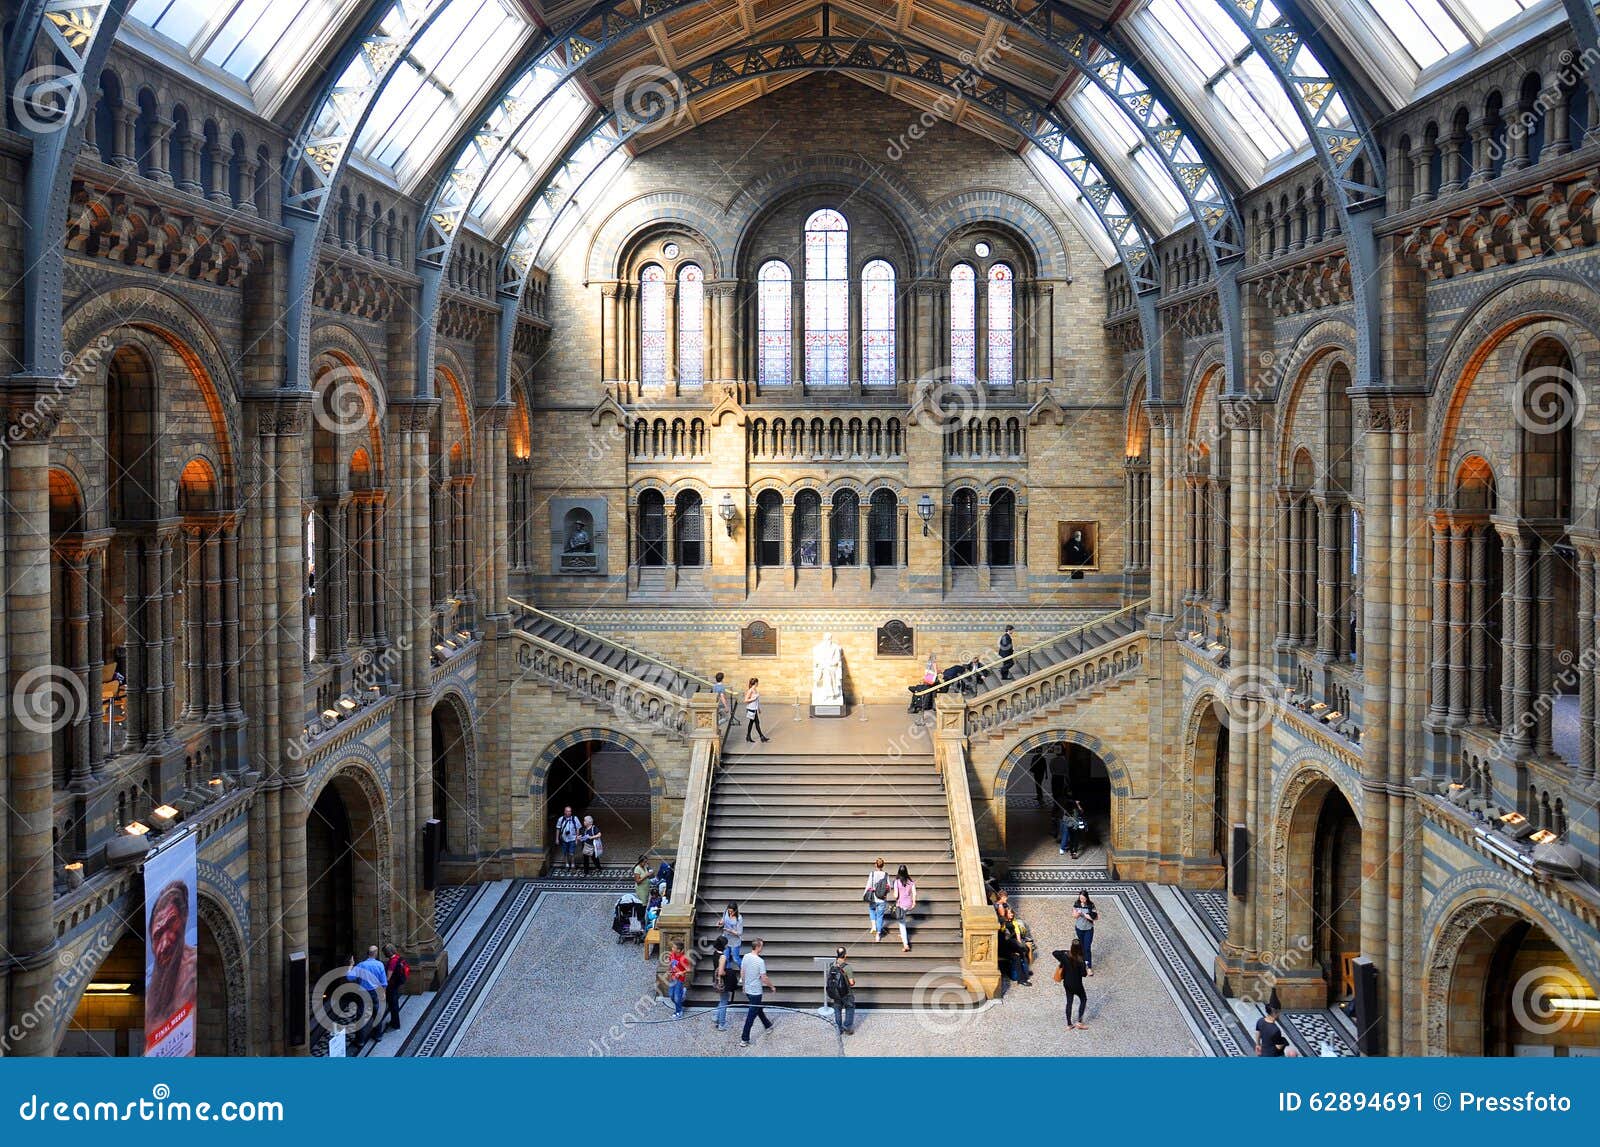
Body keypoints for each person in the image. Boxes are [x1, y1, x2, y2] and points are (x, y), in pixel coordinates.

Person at [145, 879, 198, 1035]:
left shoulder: (193, 971)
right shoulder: (150, 997)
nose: (166, 942)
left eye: (171, 924)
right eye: (158, 934)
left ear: (183, 919)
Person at [346, 945, 388, 1049]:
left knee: (361, 1016)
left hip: (363, 992)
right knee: (377, 1013)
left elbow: (349, 977)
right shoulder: (380, 965)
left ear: (367, 953)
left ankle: (360, 1041)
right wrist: (383, 993)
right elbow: (383, 982)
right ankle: (378, 1036)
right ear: (376, 953)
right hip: (375, 992)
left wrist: (351, 965)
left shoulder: (361, 965)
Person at [739, 938, 774, 1046]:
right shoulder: (760, 961)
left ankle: (767, 1025)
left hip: (748, 989)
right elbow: (764, 978)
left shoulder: (745, 957)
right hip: (756, 992)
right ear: (758, 947)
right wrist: (772, 986)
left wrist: (744, 985)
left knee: (757, 1008)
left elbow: (742, 972)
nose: (762, 948)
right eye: (761, 946)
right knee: (751, 1015)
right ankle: (744, 1038)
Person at [1052, 940, 1089, 1029]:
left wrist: (1066, 951)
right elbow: (1084, 974)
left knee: (1069, 1002)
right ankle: (1079, 1022)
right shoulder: (1081, 960)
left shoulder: (1065, 956)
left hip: (1067, 983)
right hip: (1077, 984)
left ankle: (1069, 1024)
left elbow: (1054, 953)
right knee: (1083, 999)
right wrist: (1086, 967)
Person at [827, 946, 857, 1035]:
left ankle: (839, 1028)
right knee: (850, 1008)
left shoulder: (831, 965)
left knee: (837, 1009)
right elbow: (851, 983)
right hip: (846, 993)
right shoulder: (847, 967)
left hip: (835, 992)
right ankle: (847, 1027)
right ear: (845, 956)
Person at [712, 936, 737, 1031]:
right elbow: (721, 972)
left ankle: (716, 1016)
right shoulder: (722, 957)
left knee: (722, 999)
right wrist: (729, 973)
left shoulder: (714, 953)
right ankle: (721, 1023)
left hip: (716, 980)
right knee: (724, 1002)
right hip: (722, 981)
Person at [382, 943, 409, 1032]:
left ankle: (395, 1024)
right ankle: (394, 1022)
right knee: (394, 1004)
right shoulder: (398, 957)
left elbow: (387, 978)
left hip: (392, 986)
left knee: (393, 1005)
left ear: (387, 953)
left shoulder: (392, 962)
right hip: (396, 984)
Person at [891, 865, 917, 952]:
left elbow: (896, 895)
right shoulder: (911, 881)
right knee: (903, 919)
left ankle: (906, 944)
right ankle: (903, 935)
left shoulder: (897, 882)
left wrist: (894, 895)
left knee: (902, 924)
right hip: (908, 904)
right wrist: (914, 902)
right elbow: (914, 893)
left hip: (901, 905)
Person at [863, 857, 890, 941]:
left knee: (872, 910)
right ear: (883, 865)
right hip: (882, 898)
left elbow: (868, 885)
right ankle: (878, 935)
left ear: (875, 865)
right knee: (880, 916)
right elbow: (889, 888)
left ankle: (873, 926)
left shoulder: (872, 874)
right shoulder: (886, 874)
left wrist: (864, 894)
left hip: (873, 897)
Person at [1072, 890, 1098, 975]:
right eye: (1081, 898)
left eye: (1083, 898)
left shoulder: (1091, 905)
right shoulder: (1076, 904)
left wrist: (1085, 915)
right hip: (1079, 928)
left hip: (1088, 929)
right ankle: (1081, 963)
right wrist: (1078, 914)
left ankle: (1089, 967)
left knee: (1087, 948)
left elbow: (1096, 917)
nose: (1082, 900)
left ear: (1087, 898)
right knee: (1081, 947)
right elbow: (1074, 916)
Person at [554, 805, 581, 873]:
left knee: (571, 853)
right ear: (564, 812)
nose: (569, 813)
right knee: (565, 852)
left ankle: (572, 865)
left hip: (572, 838)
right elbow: (558, 829)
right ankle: (566, 865)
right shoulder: (561, 819)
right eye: (568, 811)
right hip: (564, 839)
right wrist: (557, 839)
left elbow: (578, 829)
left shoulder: (575, 819)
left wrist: (577, 839)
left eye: (570, 811)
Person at [666, 939, 690, 1019]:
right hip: (672, 977)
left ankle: (678, 1011)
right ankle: (682, 994)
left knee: (676, 997)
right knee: (671, 995)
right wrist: (669, 971)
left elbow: (688, 969)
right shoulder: (672, 954)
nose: (672, 948)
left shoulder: (683, 958)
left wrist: (681, 973)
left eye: (674, 947)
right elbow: (670, 963)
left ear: (678, 950)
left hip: (679, 979)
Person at [743, 677, 769, 743]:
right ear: (755, 683)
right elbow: (745, 700)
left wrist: (758, 708)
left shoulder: (755, 690)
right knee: (757, 723)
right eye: (757, 682)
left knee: (751, 723)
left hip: (754, 708)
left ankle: (748, 736)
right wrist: (752, 699)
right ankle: (761, 736)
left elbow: (757, 700)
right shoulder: (750, 690)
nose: (758, 684)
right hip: (751, 709)